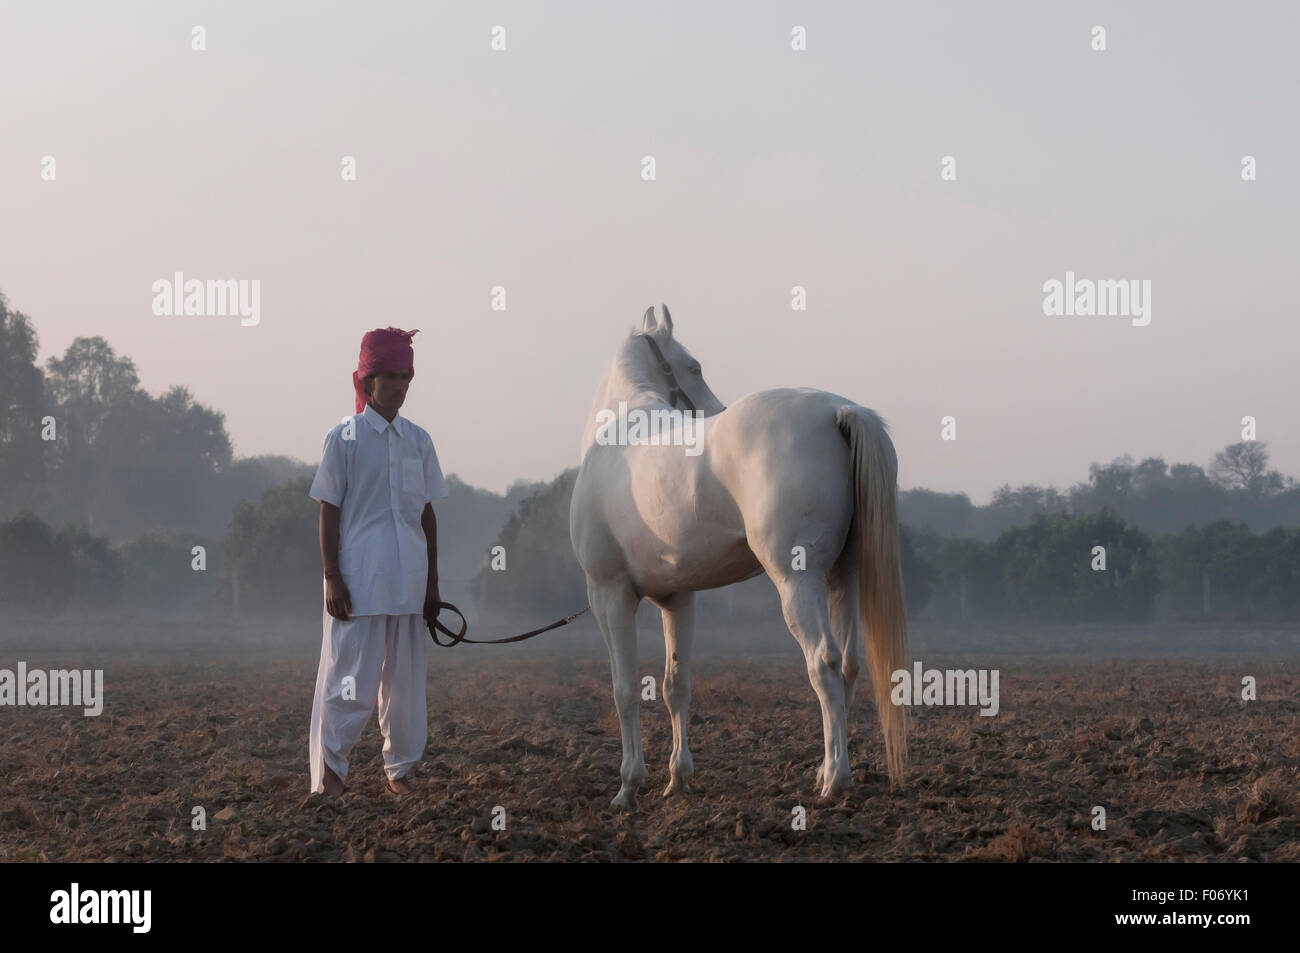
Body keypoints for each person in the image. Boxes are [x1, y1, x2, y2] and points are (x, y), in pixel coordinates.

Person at [306, 326, 448, 797]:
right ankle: (331, 773)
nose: (400, 384)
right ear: (367, 381)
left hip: (409, 583)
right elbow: (329, 509)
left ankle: (400, 773)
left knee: (405, 687)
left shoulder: (420, 440)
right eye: (390, 375)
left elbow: (425, 516)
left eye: (406, 375)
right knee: (349, 681)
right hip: (358, 583)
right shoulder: (343, 438)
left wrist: (433, 586)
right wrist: (331, 576)